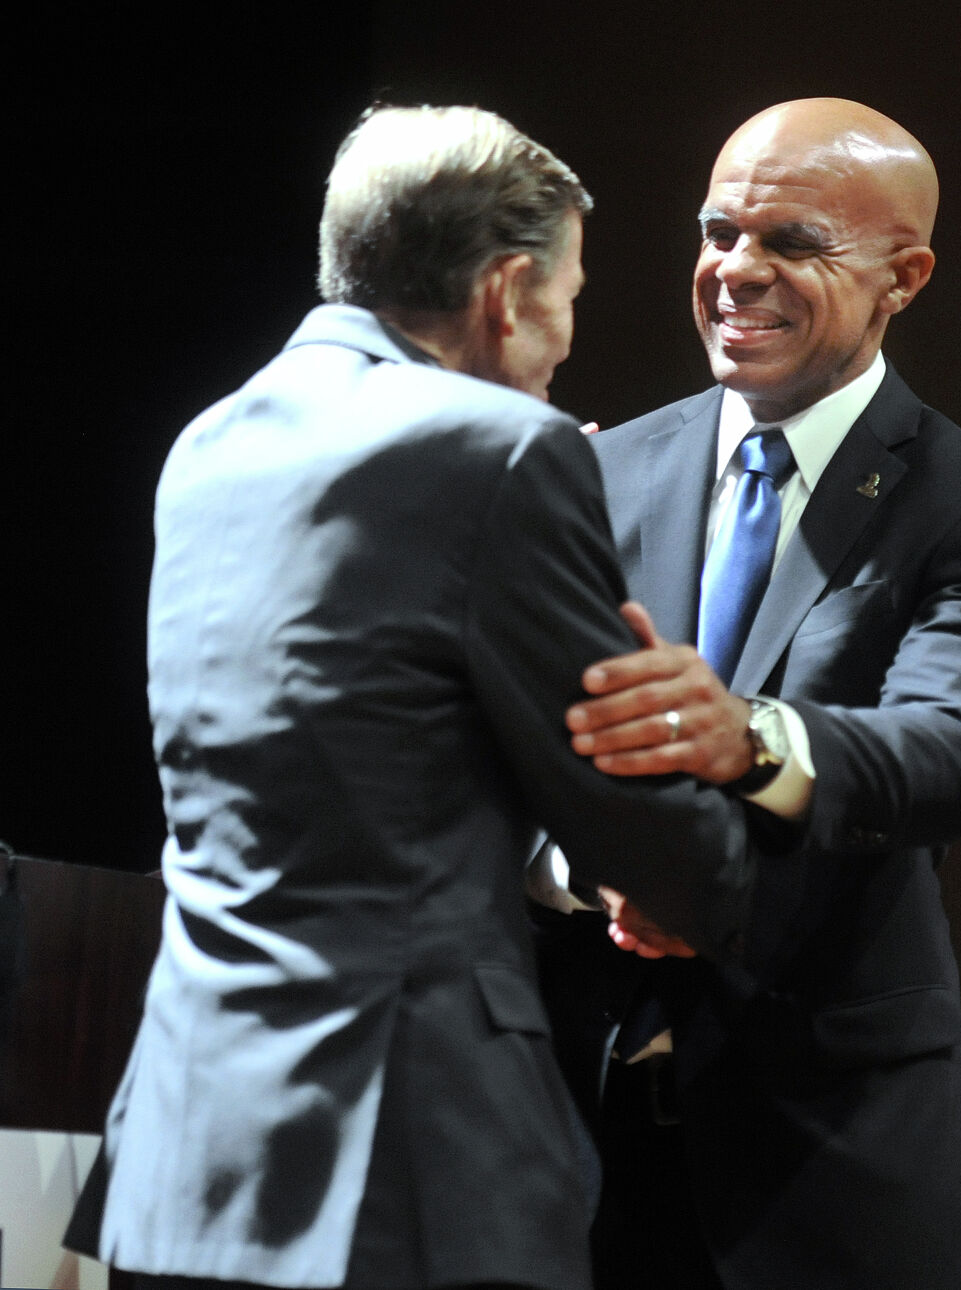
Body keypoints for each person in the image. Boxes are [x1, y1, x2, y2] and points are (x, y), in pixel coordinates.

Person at [63, 105, 762, 1290]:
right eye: (567, 299)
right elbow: (633, 817)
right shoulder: (503, 449)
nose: (561, 346)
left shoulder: (207, 445)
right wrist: (704, 850)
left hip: (187, 1147)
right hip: (400, 1161)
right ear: (504, 292)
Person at [529, 99, 961, 1290]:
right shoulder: (586, 475)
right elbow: (488, 757)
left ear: (903, 277)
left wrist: (745, 738)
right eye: (717, 232)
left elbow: (951, 749)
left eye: (790, 242)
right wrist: (596, 864)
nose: (735, 270)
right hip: (566, 1157)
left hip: (830, 1169)